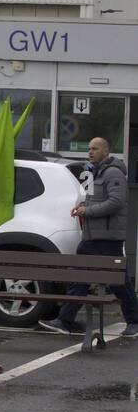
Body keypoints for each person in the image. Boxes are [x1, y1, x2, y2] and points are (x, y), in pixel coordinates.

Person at [40, 136, 138, 338]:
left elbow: (116, 202)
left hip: (107, 239)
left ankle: (134, 322)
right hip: (92, 238)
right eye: (89, 148)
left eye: (95, 148)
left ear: (106, 151)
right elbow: (92, 200)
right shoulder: (94, 172)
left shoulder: (113, 173)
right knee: (79, 278)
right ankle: (64, 320)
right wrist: (82, 207)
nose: (90, 152)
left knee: (119, 283)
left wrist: (87, 211)